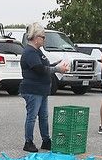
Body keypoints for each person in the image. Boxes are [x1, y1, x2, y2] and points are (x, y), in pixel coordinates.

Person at [19, 23, 69, 153]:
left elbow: (44, 66)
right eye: (43, 36)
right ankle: (28, 141)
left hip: (42, 90)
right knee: (32, 116)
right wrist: (57, 69)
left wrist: (56, 65)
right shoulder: (29, 52)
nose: (44, 39)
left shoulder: (37, 51)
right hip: (32, 90)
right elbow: (39, 69)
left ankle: (46, 140)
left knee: (44, 116)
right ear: (35, 37)